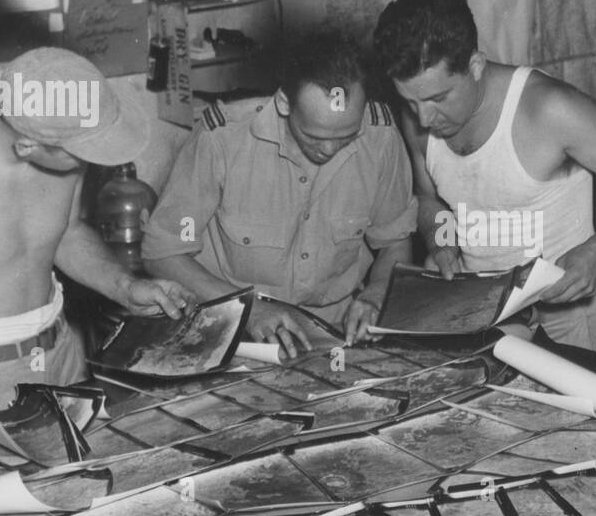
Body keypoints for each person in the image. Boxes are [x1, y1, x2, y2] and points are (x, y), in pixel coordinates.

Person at [373, 0, 596, 360]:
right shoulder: (418, 118)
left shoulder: (549, 108)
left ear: (475, 66)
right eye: (410, 101)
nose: (423, 118)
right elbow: (429, 197)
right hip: (482, 305)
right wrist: (441, 242)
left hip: (569, 302)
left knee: (589, 416)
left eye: (438, 99)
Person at [0, 47, 195, 421]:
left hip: (61, 353)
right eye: (83, 154)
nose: (91, 162)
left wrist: (124, 287)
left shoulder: (63, 138)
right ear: (27, 145)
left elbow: (65, 232)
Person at [143, 29, 416, 354]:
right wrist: (248, 308)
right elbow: (164, 253)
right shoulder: (223, 141)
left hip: (332, 337)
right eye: (314, 136)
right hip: (233, 334)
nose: (329, 149)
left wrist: (376, 293)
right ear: (284, 102)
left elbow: (395, 242)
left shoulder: (380, 139)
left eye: (346, 136)